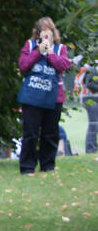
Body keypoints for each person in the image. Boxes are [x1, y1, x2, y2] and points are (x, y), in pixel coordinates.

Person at [17, 16, 71, 175]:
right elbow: (23, 65)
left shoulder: (61, 49)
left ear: (54, 33)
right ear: (38, 33)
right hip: (32, 97)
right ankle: (27, 167)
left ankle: (48, 166)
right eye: (43, 31)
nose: (46, 34)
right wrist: (37, 52)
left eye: (49, 31)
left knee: (50, 133)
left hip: (53, 98)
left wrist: (49, 53)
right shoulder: (30, 45)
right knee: (30, 133)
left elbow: (62, 66)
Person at [74, 60, 98, 155]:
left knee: (95, 123)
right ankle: (90, 148)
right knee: (93, 123)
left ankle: (93, 146)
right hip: (89, 98)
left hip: (92, 98)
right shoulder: (92, 70)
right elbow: (89, 84)